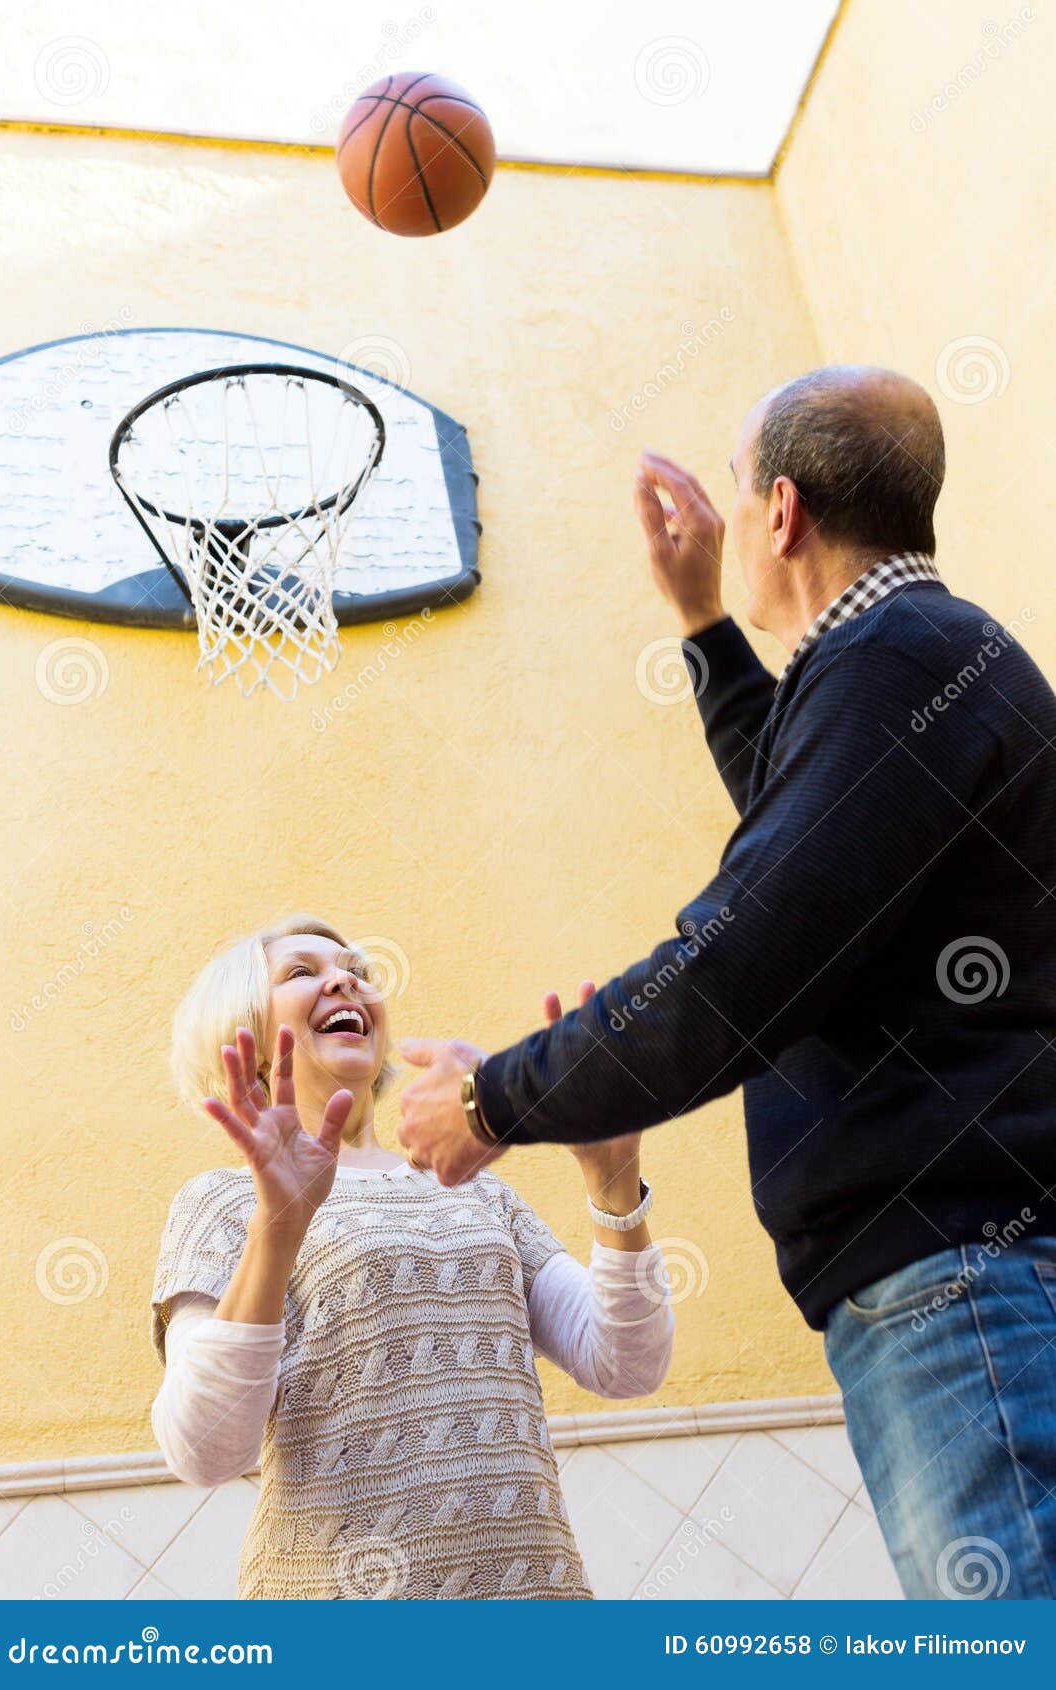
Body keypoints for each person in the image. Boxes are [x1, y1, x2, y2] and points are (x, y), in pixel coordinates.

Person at [397, 365, 1056, 1599]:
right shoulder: (920, 659)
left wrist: (494, 1099)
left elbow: (739, 967)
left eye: (740, 486)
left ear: (782, 512)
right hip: (982, 1261)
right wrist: (702, 622)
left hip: (962, 1274)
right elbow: (811, 843)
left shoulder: (894, 659)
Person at [150, 915, 674, 1601]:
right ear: (241, 1036)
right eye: (302, 972)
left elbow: (626, 1364)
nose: (345, 979)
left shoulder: (474, 1190)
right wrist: (277, 1229)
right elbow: (207, 1451)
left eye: (358, 972)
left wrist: (613, 1178)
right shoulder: (220, 1203)